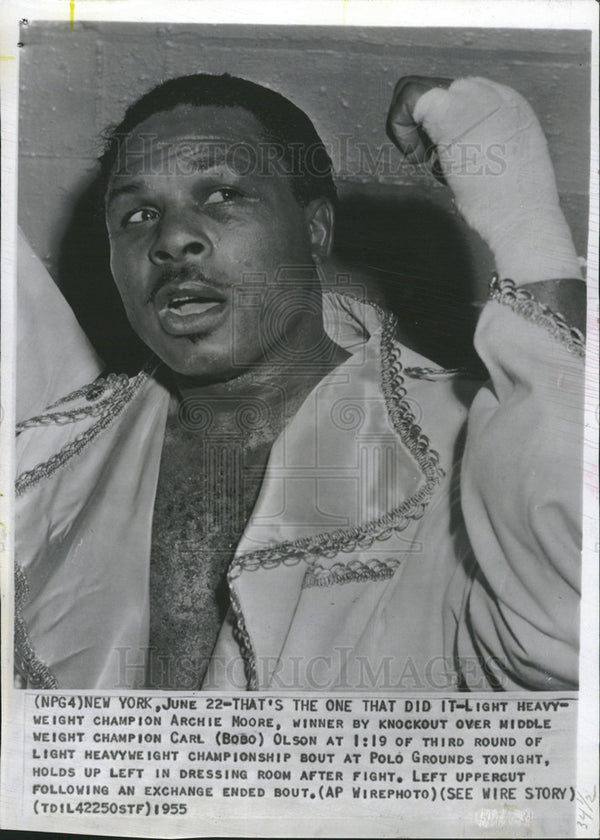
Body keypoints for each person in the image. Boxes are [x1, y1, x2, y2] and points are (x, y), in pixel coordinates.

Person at [14, 72, 585, 692]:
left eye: (223, 195)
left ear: (315, 231)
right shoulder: (35, 465)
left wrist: (527, 226)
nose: (172, 239)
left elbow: (569, 644)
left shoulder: (460, 449)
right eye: (139, 214)